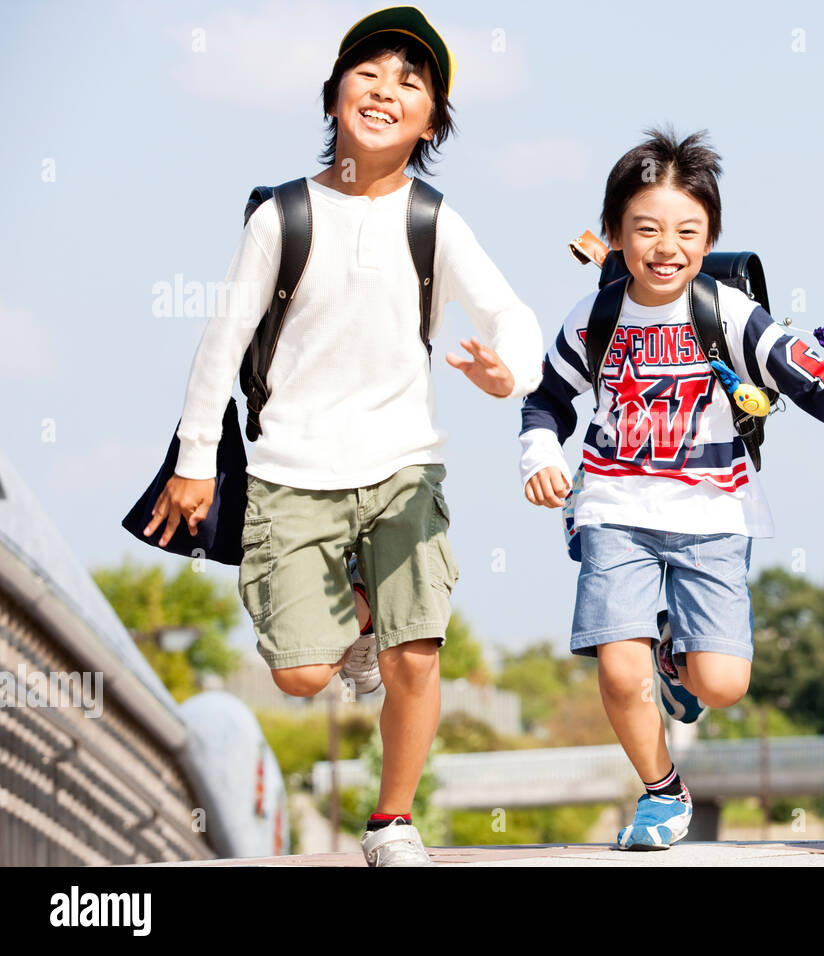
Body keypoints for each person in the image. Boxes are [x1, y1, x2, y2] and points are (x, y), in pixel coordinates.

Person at [143, 6, 544, 865]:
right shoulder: (280, 217)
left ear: (431, 120)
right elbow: (219, 346)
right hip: (291, 472)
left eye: (411, 82)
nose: (386, 90)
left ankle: (393, 821)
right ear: (332, 95)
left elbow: (514, 313)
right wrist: (194, 462)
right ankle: (353, 620)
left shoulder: (433, 219)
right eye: (368, 73)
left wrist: (508, 368)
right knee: (300, 676)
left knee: (418, 651)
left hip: (405, 468)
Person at [520, 128, 824, 849]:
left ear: (709, 241)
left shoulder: (726, 314)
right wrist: (539, 454)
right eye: (646, 228)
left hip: (715, 512)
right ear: (614, 233)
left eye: (687, 230)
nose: (666, 245)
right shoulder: (594, 318)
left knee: (724, 684)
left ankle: (677, 659)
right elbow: (546, 399)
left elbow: (811, 374)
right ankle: (662, 792)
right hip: (614, 506)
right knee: (619, 672)